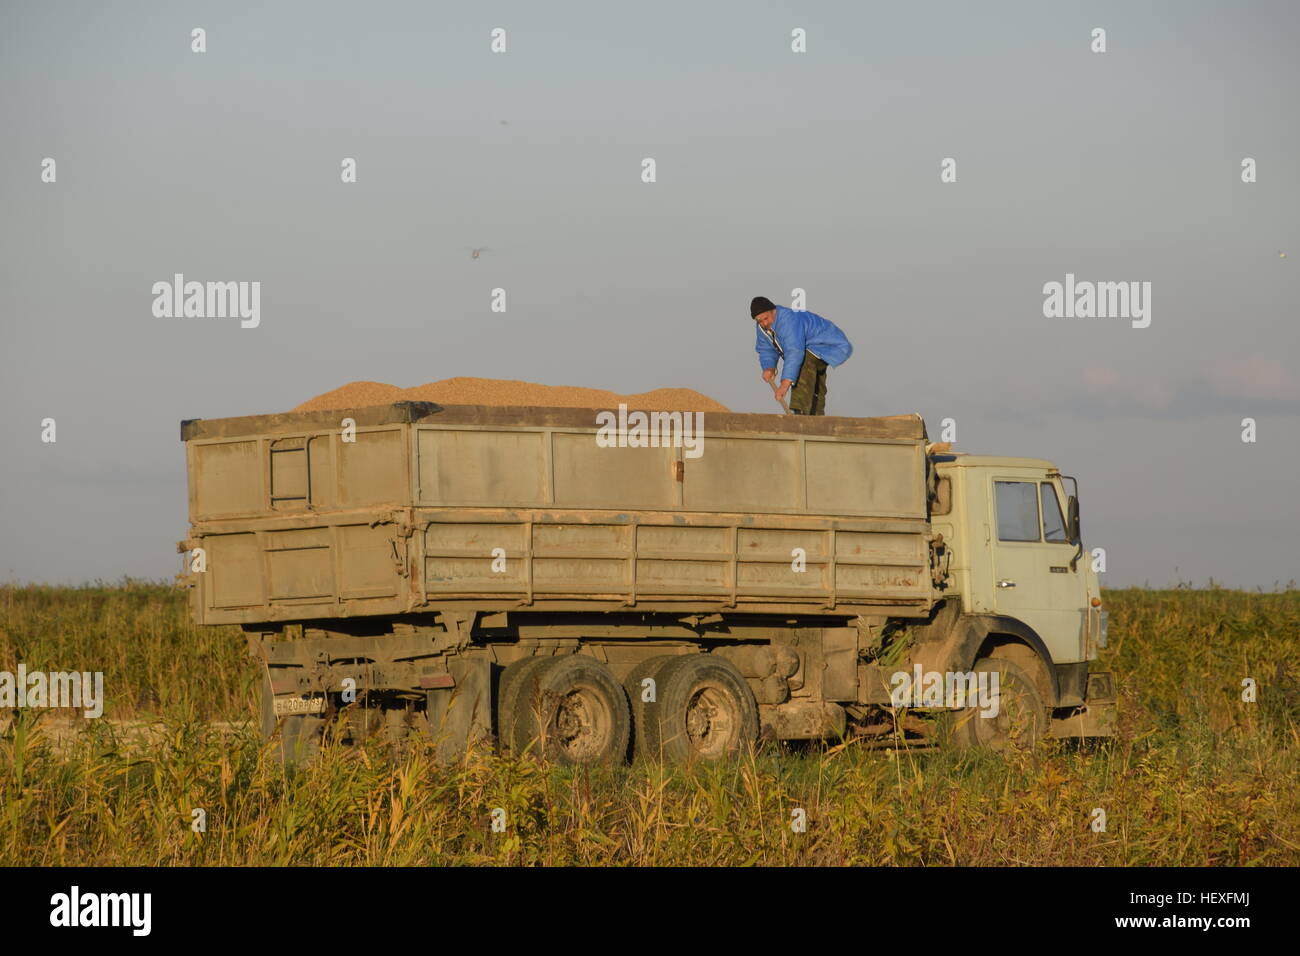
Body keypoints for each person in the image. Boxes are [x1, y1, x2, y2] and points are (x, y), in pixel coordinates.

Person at [750, 296, 853, 415]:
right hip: (810, 349)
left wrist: (785, 384)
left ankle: (800, 412)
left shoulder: (788, 320)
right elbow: (766, 349)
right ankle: (817, 419)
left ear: (773, 311)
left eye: (766, 318)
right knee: (814, 383)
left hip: (827, 344)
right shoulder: (762, 328)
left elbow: (795, 352)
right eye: (759, 321)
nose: (764, 323)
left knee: (803, 366)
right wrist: (769, 367)